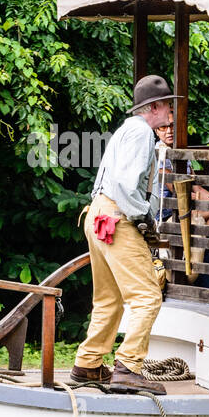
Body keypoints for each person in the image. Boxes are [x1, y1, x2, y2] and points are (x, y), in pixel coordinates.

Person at [71, 75, 180, 393]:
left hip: (98, 214)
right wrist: (143, 218)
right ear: (156, 106)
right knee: (148, 296)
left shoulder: (126, 130)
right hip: (117, 216)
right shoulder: (141, 133)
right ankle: (129, 367)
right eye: (168, 105)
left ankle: (88, 365)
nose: (171, 113)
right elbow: (126, 186)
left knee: (108, 299)